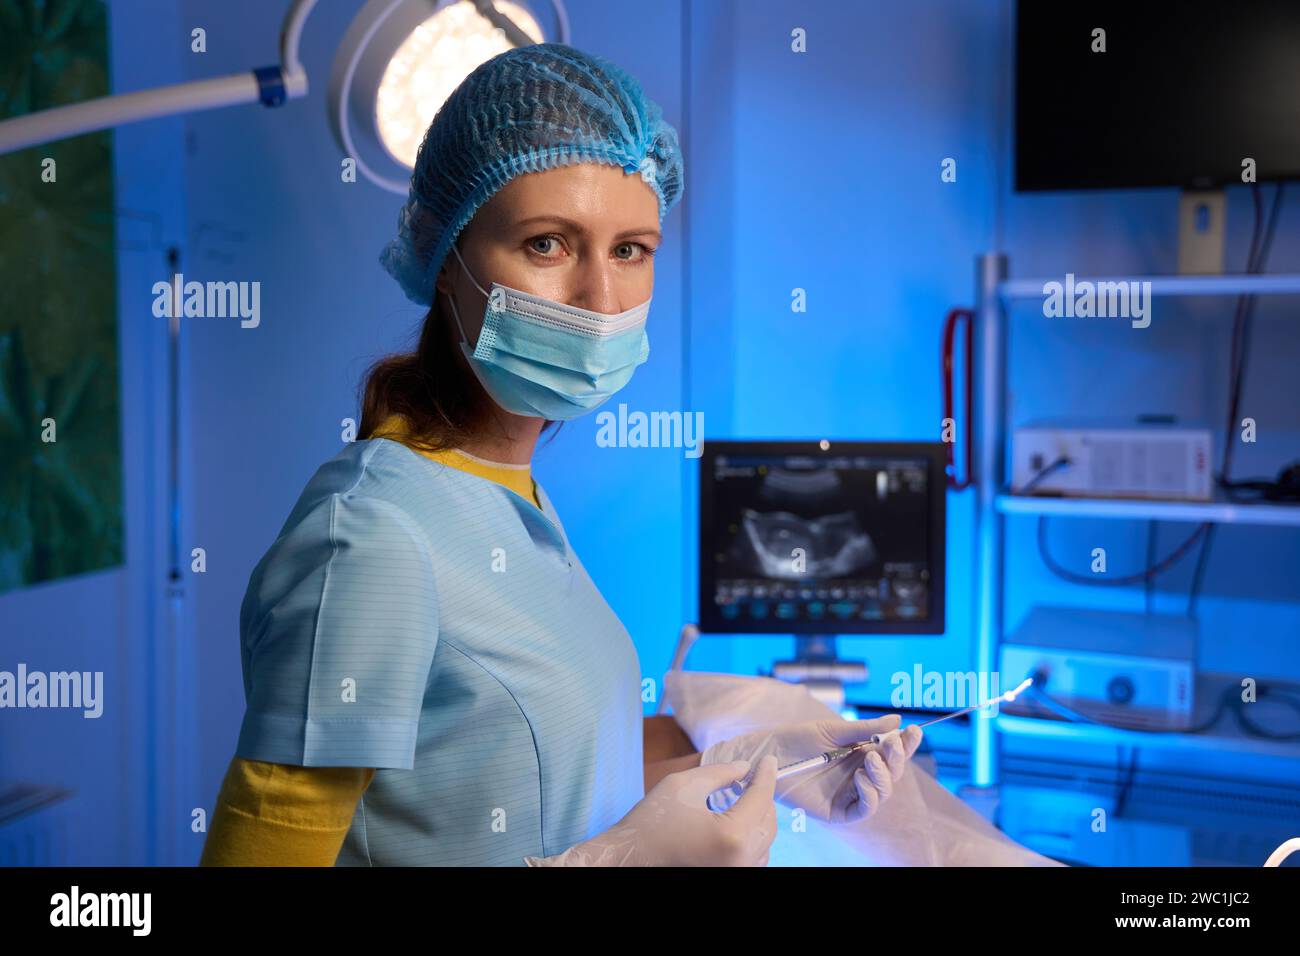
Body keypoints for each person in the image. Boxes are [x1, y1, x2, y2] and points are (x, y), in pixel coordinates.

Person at [199, 42, 920, 868]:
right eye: (547, 244)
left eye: (631, 250)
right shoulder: (371, 537)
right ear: (446, 254)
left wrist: (763, 763)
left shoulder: (508, 496)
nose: (601, 300)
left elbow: (530, 766)